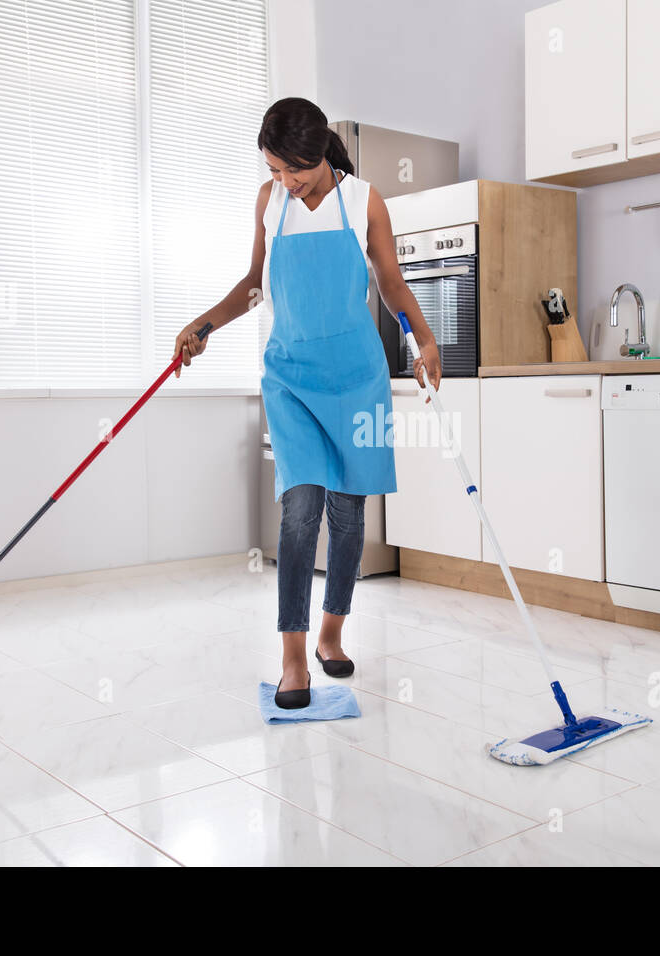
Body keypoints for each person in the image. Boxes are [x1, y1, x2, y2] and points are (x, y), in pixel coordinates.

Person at [173, 97, 441, 709]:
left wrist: (423, 339)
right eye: (275, 171)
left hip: (358, 381)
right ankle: (293, 656)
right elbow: (252, 288)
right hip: (291, 379)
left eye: (294, 170)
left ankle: (331, 633)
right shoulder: (271, 204)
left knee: (349, 517)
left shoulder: (364, 200)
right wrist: (203, 325)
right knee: (300, 512)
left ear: (320, 154)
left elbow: (391, 281)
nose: (286, 183)